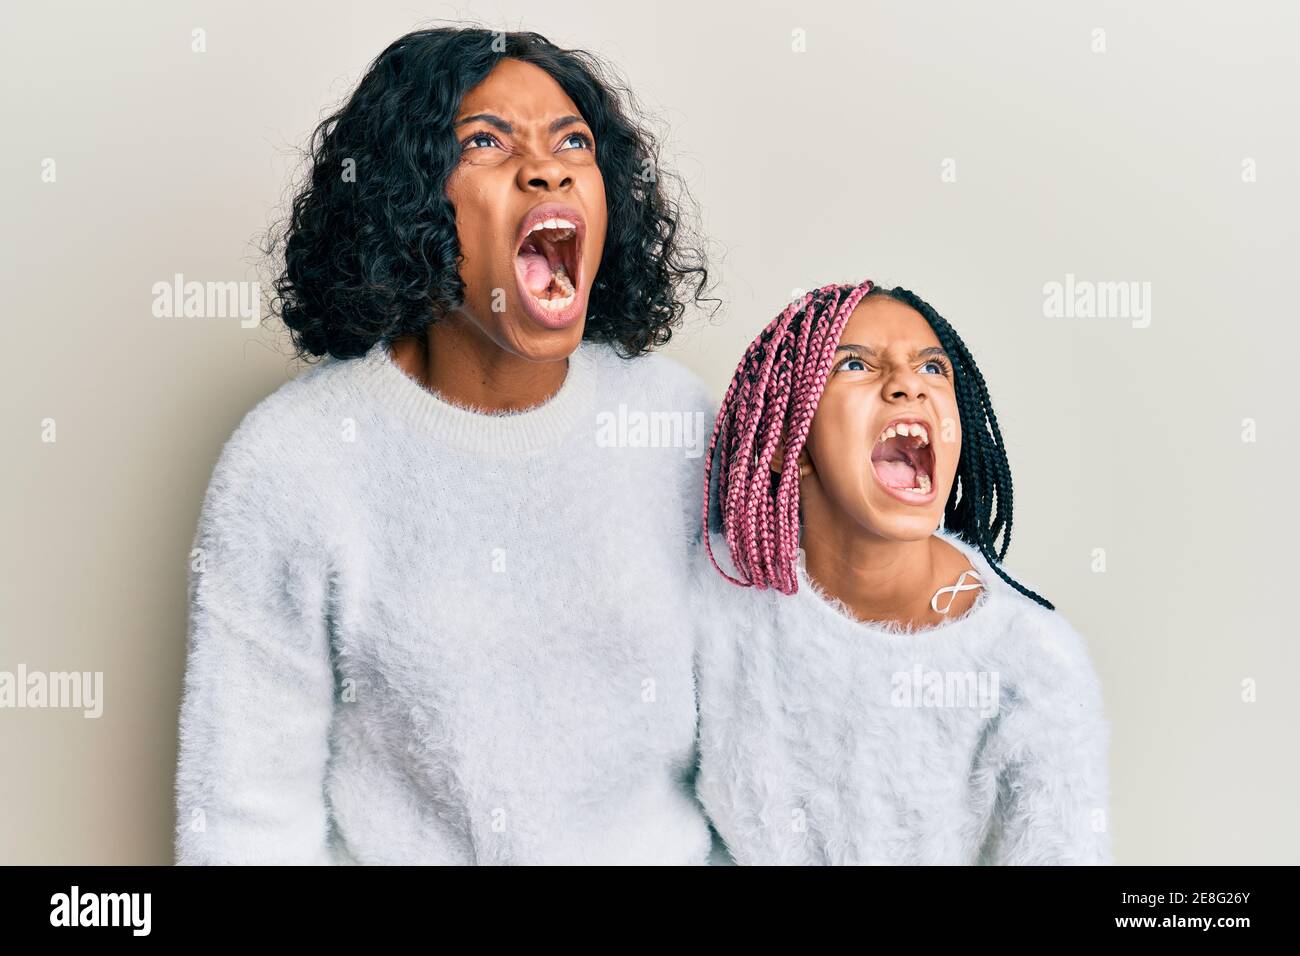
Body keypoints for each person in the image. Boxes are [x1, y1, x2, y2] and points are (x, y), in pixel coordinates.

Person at [174, 27, 725, 864]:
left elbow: (759, 750)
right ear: (411, 201)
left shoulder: (682, 427)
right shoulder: (293, 461)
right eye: (485, 142)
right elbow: (246, 814)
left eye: (572, 139)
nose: (547, 167)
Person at [692, 279, 1112, 865]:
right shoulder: (712, 594)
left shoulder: (1033, 664)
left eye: (933, 368)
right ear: (797, 440)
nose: (908, 383)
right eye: (857, 364)